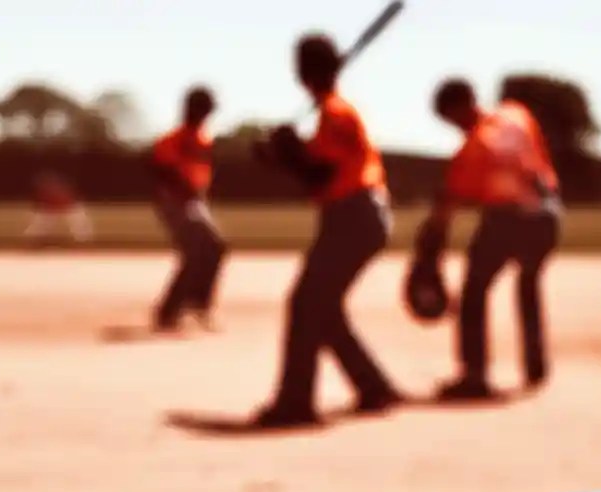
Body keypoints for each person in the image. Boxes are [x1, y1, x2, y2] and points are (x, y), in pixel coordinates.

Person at [250, 33, 404, 428]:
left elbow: (319, 174)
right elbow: (314, 175)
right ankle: (374, 386)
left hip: (355, 215)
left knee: (306, 304)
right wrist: (283, 156)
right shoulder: (331, 114)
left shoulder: (335, 114)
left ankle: (295, 402)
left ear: (303, 72)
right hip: (353, 216)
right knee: (322, 307)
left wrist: (288, 153)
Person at [420, 78, 562, 400]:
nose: (454, 126)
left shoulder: (473, 147)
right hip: (548, 212)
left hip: (508, 217)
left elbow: (449, 206)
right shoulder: (516, 114)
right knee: (528, 283)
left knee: (474, 291)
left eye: (450, 119)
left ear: (458, 109)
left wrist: (430, 244)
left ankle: (474, 375)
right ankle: (536, 366)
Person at [148, 86, 228, 332]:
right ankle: (169, 311)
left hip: (195, 202)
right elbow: (163, 171)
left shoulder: (203, 139)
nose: (203, 115)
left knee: (215, 248)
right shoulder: (172, 140)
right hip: (175, 202)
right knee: (198, 251)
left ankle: (196, 304)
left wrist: (198, 195)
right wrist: (186, 192)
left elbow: (201, 174)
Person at [24, 171, 93, 249]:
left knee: (80, 225)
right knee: (38, 226)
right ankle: (32, 242)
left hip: (69, 206)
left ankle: (84, 244)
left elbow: (69, 200)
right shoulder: (43, 192)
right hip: (51, 207)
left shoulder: (62, 190)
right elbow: (40, 205)